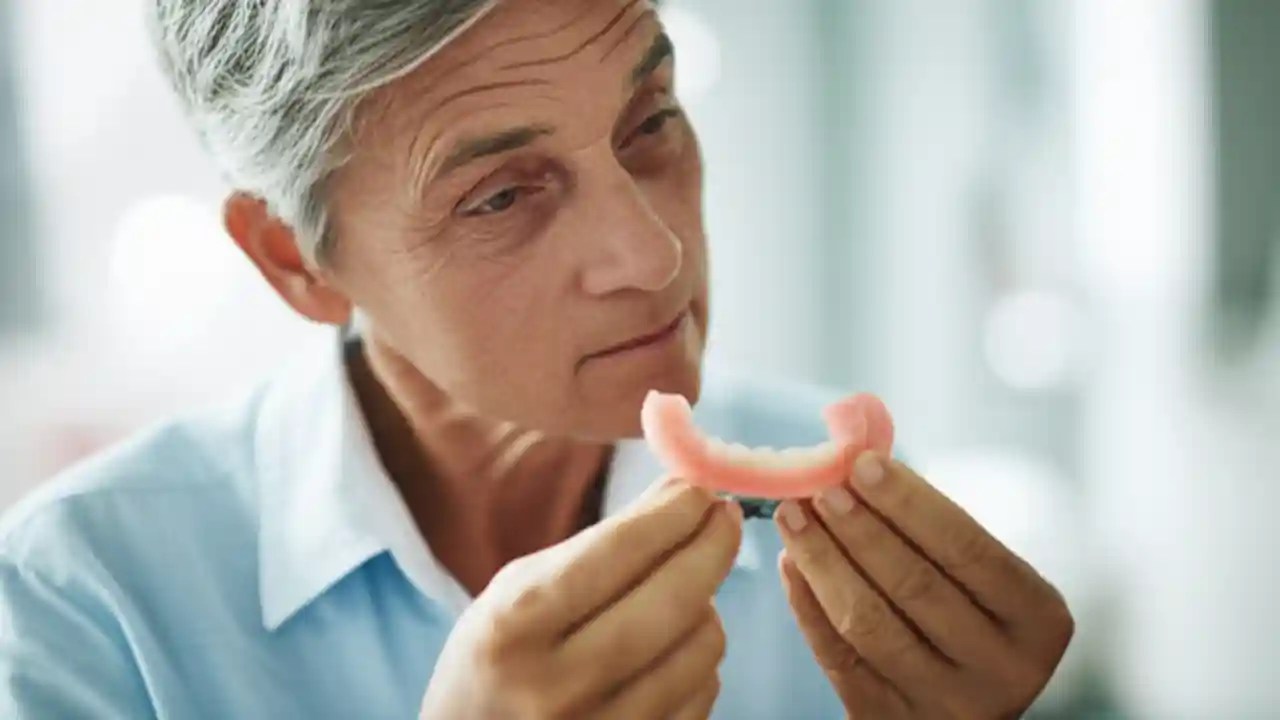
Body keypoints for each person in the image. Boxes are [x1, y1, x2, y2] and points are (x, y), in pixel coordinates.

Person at [0, 1, 1074, 717]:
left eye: (649, 120)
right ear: (294, 261)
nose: (651, 256)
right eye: (502, 195)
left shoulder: (873, 570)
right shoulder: (87, 600)